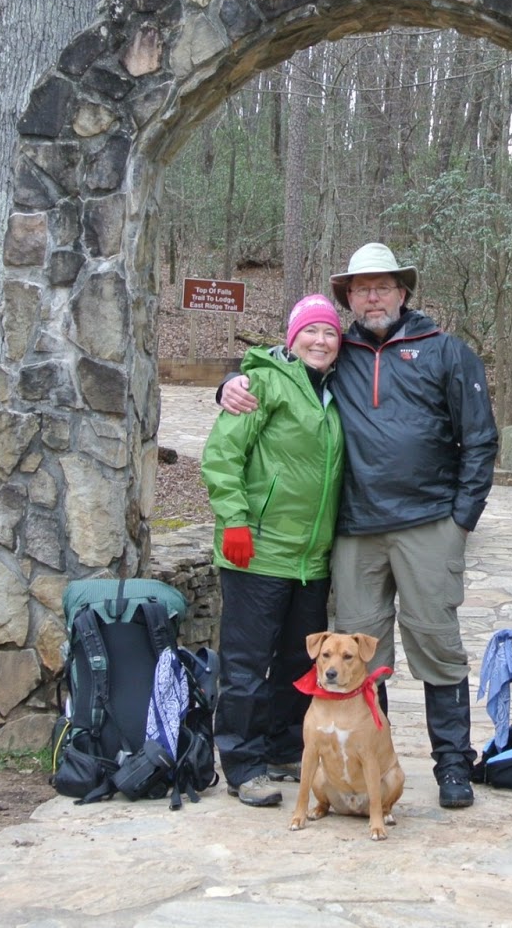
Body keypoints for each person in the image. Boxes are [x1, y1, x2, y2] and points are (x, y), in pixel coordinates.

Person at [220, 243, 499, 808]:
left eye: (383, 287)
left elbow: (480, 440)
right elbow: (277, 367)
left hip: (428, 524)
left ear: (403, 292)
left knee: (437, 643)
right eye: (361, 289)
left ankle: (452, 766)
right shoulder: (336, 352)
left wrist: (461, 521)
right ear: (349, 297)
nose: (373, 298)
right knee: (360, 659)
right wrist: (228, 383)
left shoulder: (446, 352)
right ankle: (373, 763)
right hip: (354, 531)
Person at [202, 293, 345, 808]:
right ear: (292, 337)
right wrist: (234, 521)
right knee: (246, 666)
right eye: (311, 331)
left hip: (311, 560)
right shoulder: (262, 383)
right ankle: (243, 765)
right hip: (258, 551)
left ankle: (286, 749)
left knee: (295, 665)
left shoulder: (334, 392)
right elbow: (223, 454)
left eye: (329, 332)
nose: (320, 341)